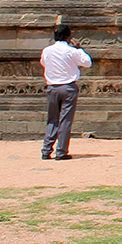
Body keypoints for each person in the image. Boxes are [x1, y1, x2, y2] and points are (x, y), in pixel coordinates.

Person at [39, 24, 91, 160]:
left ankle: (46, 149)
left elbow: (44, 63)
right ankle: (61, 151)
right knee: (65, 120)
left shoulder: (47, 51)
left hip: (52, 87)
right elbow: (87, 62)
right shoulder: (71, 51)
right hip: (68, 87)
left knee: (52, 120)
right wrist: (79, 49)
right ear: (69, 37)